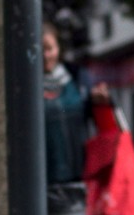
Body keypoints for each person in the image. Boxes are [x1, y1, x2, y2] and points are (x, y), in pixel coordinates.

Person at [41, 23, 111, 187]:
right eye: (40, 49)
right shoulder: (25, 86)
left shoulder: (78, 77)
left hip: (84, 176)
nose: (46, 55)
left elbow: (100, 122)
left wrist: (100, 102)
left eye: (49, 48)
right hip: (46, 182)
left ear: (58, 48)